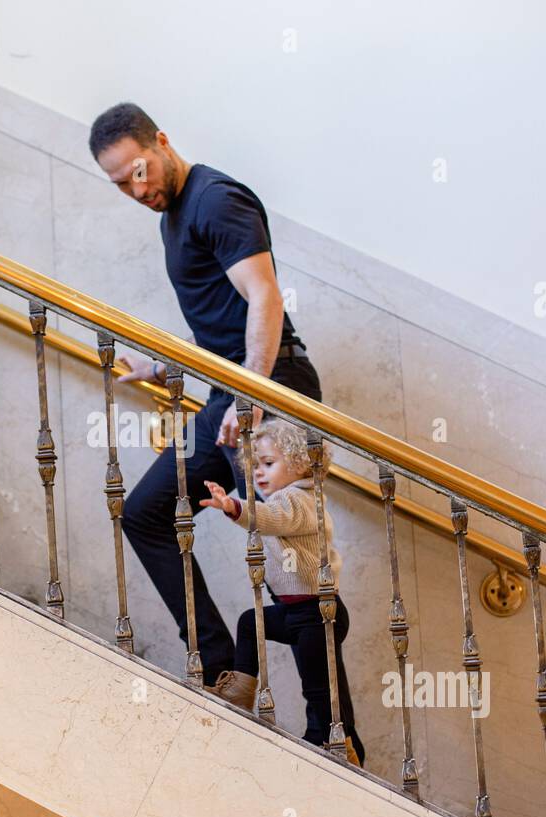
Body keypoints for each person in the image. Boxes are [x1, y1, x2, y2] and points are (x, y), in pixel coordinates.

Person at [89, 101, 322, 687]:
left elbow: (264, 297)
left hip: (271, 390)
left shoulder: (216, 199)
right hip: (235, 394)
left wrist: (252, 396)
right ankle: (223, 669)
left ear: (162, 142)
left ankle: (333, 729)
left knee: (287, 570)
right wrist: (160, 363)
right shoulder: (174, 218)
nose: (135, 189)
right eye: (120, 184)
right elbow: (224, 318)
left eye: (138, 171)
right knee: (146, 513)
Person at [199, 417, 364, 767]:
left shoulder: (300, 500)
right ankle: (242, 689)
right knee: (251, 623)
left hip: (317, 613)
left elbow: (271, 518)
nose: (259, 473)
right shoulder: (288, 497)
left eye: (269, 464)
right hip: (297, 612)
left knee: (318, 690)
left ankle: (343, 748)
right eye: (255, 465)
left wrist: (232, 506)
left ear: (301, 462)